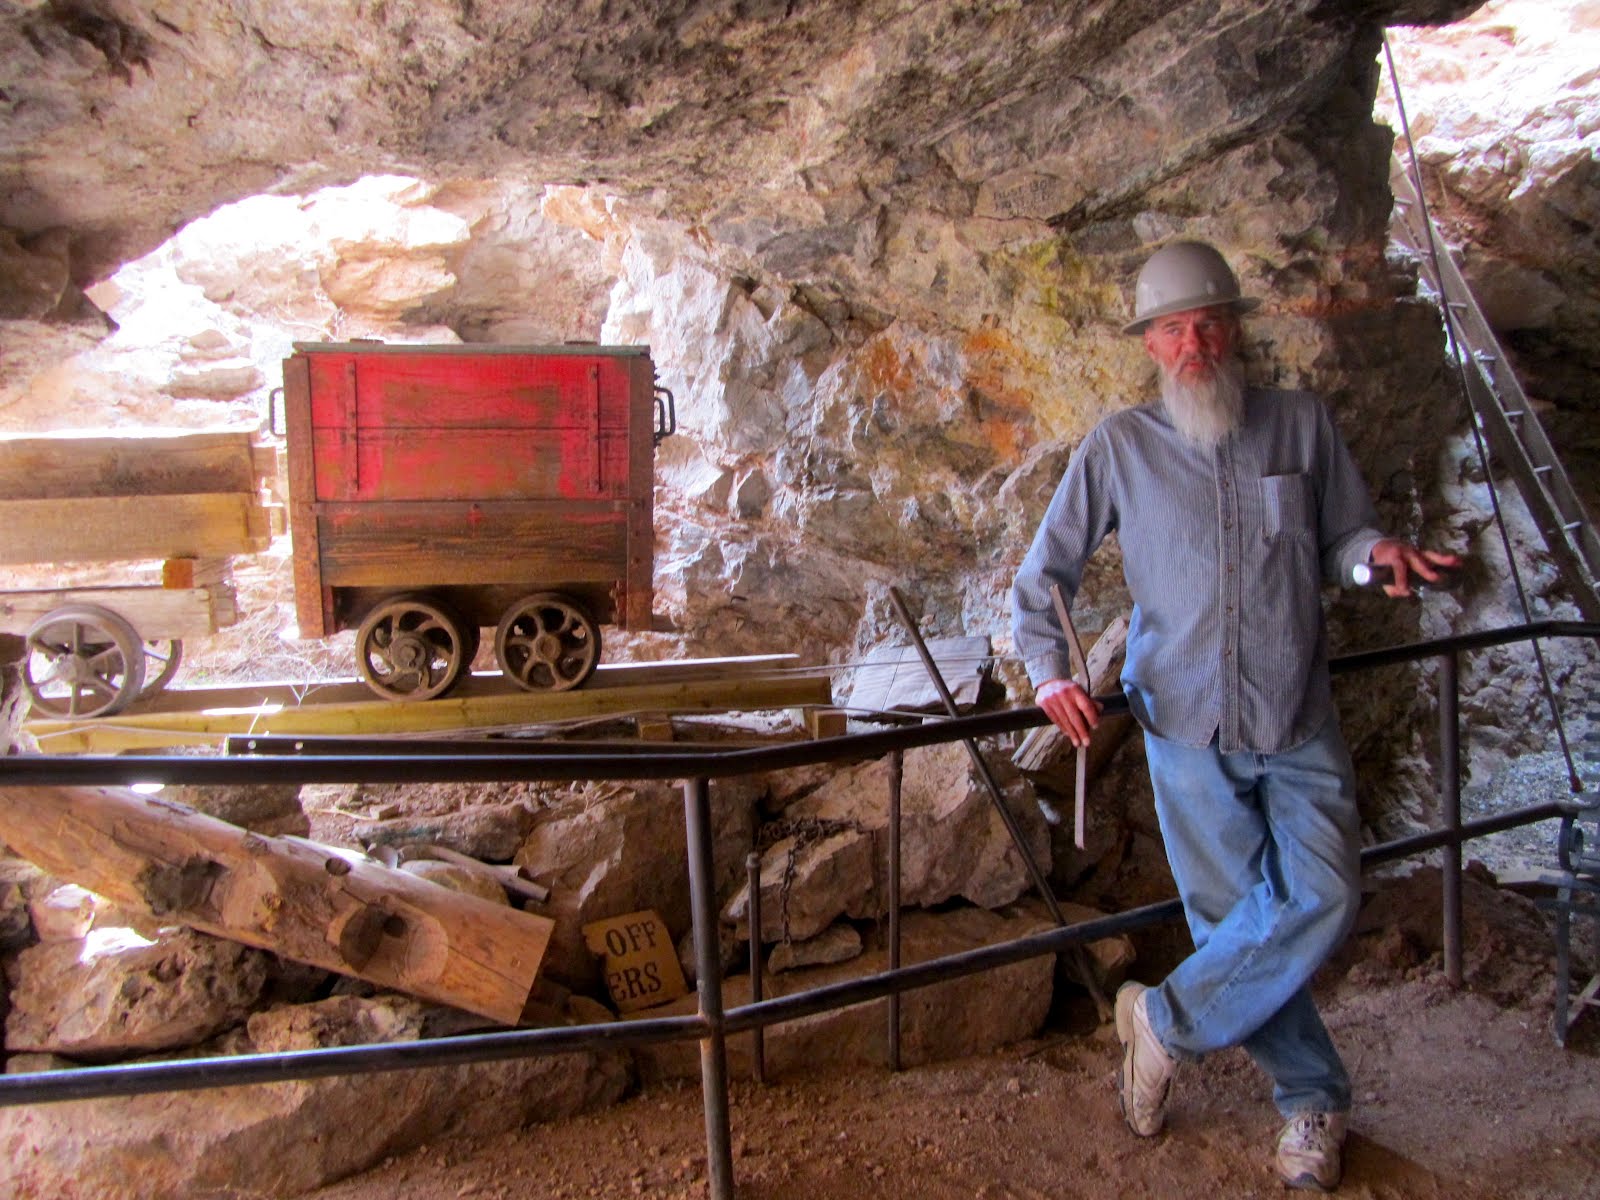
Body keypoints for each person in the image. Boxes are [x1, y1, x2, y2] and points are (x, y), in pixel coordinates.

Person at [1011, 240, 1459, 1192]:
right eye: (1173, 328)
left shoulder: (1301, 425)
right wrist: (1051, 672)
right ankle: (1313, 1101)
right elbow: (1040, 576)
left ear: (1236, 330)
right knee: (1234, 930)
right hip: (1185, 727)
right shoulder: (1121, 447)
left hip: (1296, 714)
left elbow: (1343, 536)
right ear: (1149, 344)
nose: (1193, 342)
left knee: (1322, 895)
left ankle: (1162, 1023)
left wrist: (1374, 554)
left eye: (1209, 322)